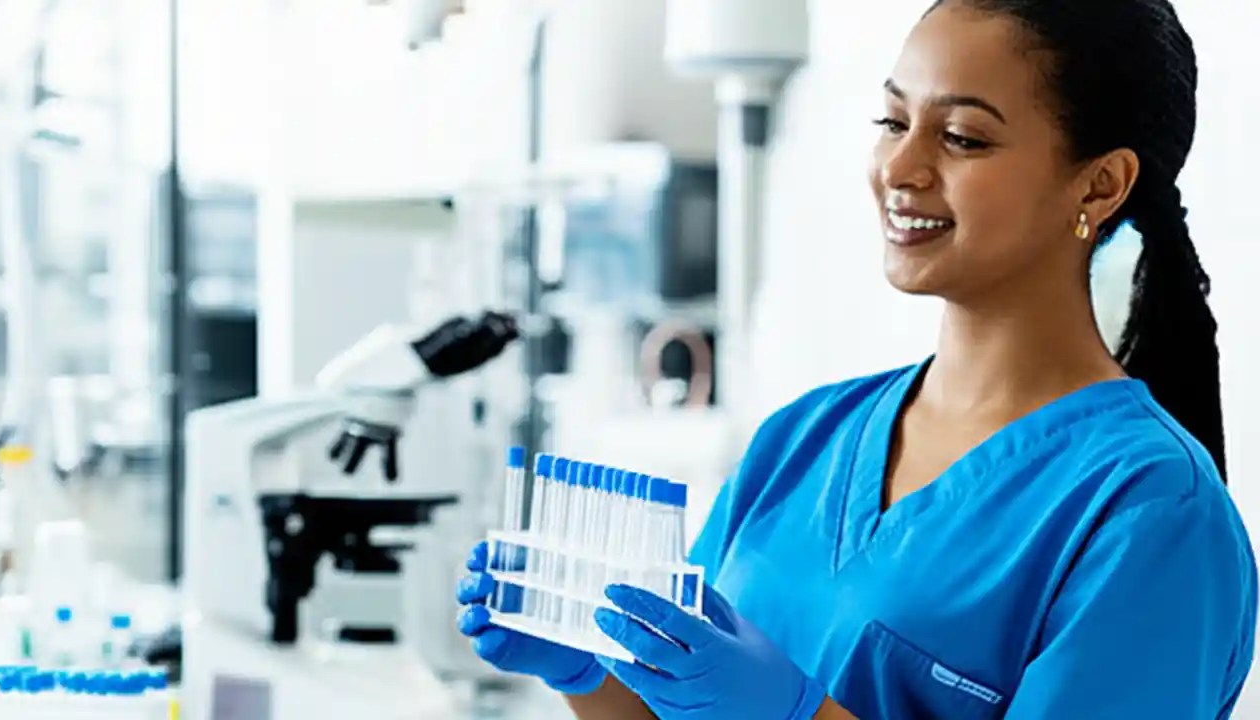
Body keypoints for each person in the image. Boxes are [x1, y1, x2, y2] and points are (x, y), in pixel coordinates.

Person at [455, 0, 1259, 717]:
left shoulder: (1151, 515)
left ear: (1101, 185)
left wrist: (799, 713)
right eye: (891, 123)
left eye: (961, 137)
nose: (901, 170)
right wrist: (591, 677)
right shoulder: (803, 439)